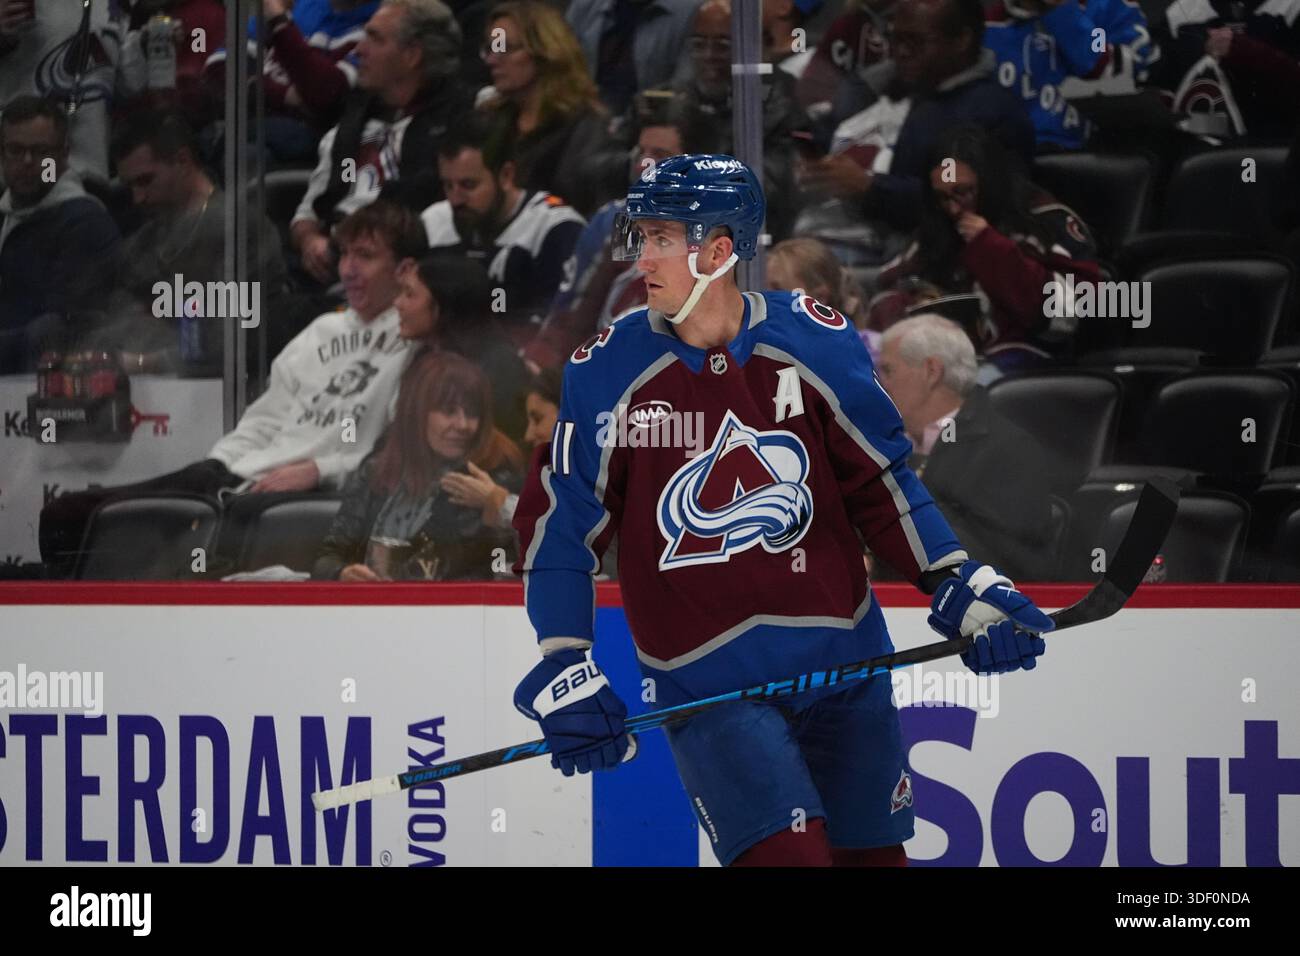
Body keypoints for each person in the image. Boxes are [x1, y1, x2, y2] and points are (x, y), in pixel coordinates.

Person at [511, 153, 1054, 867]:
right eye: (640, 235)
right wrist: (563, 658)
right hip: (714, 692)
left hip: (845, 672)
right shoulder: (607, 371)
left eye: (662, 237)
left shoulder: (813, 340)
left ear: (721, 248)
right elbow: (562, 526)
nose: (642, 254)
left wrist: (953, 576)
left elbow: (879, 480)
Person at [38, 201, 427, 577]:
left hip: (300, 490)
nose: (348, 269)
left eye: (366, 256)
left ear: (404, 268)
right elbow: (265, 420)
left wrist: (319, 470)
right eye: (344, 254)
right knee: (69, 514)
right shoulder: (320, 332)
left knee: (97, 523)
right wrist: (219, 465)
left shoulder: (414, 342)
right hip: (236, 474)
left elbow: (394, 457)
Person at [868, 125, 1100, 376]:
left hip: (1030, 363)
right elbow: (890, 284)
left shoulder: (1046, 220)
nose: (954, 208)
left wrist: (991, 248)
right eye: (943, 197)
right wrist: (914, 302)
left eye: (963, 192)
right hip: (945, 359)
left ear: (989, 182)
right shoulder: (941, 226)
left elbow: (1069, 315)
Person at [874, 313, 1073, 580]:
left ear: (932, 371)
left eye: (887, 370)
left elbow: (1013, 565)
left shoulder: (1009, 452)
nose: (877, 384)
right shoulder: (881, 444)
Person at [290, 0, 471, 286]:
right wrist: (309, 239)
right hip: (327, 272)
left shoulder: (461, 120)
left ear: (412, 55)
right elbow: (308, 212)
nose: (358, 50)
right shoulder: (352, 122)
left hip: (402, 278)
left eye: (375, 39)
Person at [93, 111, 288, 375]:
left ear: (183, 161)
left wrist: (146, 362)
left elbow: (245, 337)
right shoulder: (139, 246)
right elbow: (121, 326)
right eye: (130, 186)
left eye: (145, 180)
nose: (137, 198)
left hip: (232, 392)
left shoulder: (243, 230)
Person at [313, 349, 523, 580]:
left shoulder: (493, 478)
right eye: (448, 411)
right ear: (417, 413)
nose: (463, 424)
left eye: (472, 414)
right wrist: (341, 574)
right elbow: (326, 558)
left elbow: (499, 575)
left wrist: (495, 508)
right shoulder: (377, 472)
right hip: (367, 609)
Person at [421, 113, 584, 350]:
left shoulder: (555, 228)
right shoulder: (434, 221)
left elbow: (559, 329)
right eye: (448, 185)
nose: (455, 199)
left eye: (468, 185)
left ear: (506, 175)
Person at [0, 96, 121, 374]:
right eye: (15, 151)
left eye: (41, 151)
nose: (28, 161)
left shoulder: (85, 222)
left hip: (54, 391)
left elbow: (57, 331)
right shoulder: (5, 216)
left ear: (63, 154)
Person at [476, 1, 617, 216]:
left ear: (545, 51)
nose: (493, 60)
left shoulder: (585, 126)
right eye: (491, 48)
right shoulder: (490, 120)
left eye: (506, 48)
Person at [984, 0, 1160, 151]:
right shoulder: (983, 22)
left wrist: (1064, 13)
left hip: (1094, 154)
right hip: (1006, 158)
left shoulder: (1108, 9)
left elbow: (1121, 76)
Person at [394, 252, 529, 439]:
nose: (397, 303)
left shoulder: (500, 366)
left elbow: (505, 446)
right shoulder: (421, 356)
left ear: (444, 304)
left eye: (410, 294)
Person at [565, 0, 703, 115]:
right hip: (582, 124)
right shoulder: (585, 6)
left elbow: (685, 91)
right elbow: (562, 70)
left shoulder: (694, 12)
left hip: (652, 127)